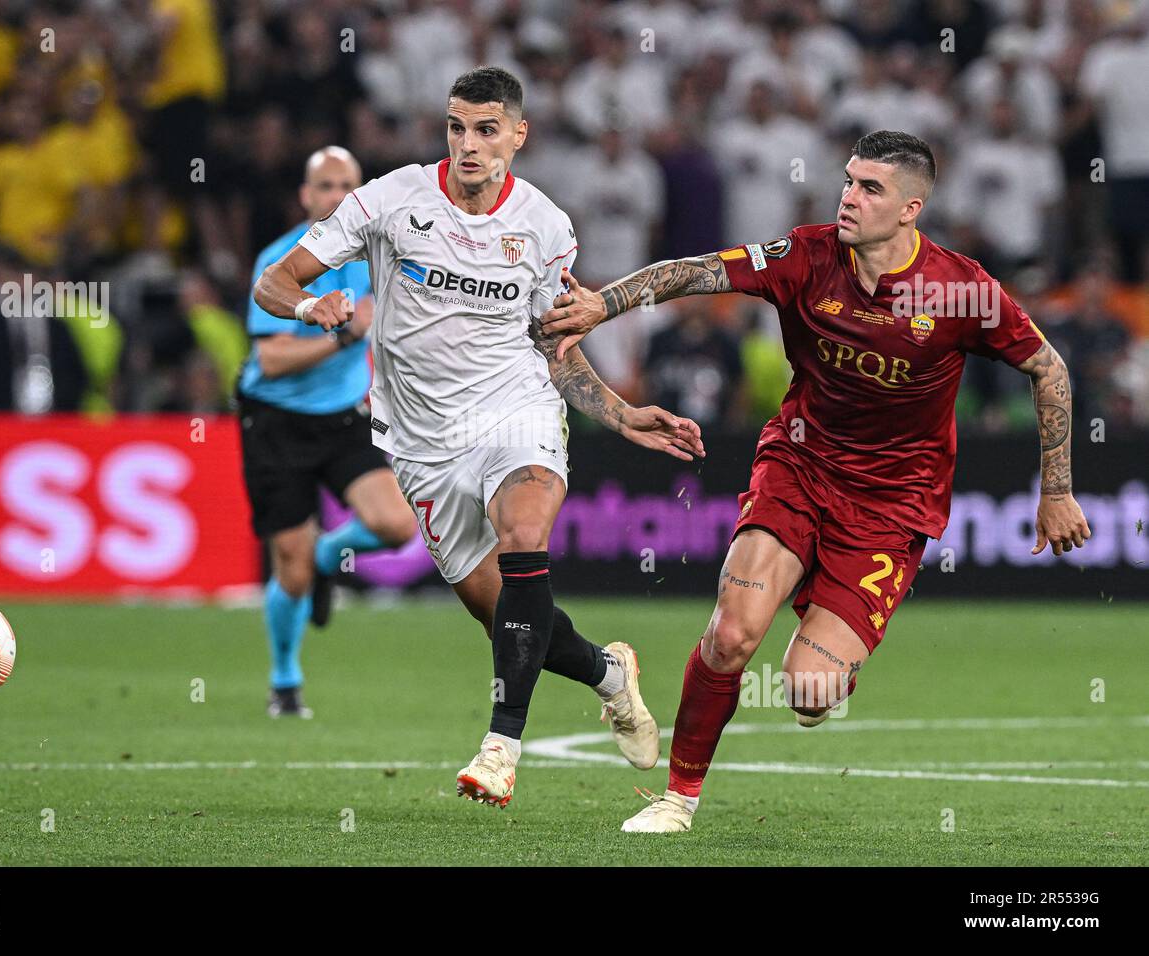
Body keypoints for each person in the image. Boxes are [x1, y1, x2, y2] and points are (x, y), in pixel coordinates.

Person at [541, 130, 1091, 832]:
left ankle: (829, 659)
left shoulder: (959, 289)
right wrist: (602, 306)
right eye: (849, 181)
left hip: (892, 505)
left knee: (808, 690)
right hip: (799, 467)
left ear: (910, 209)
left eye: (870, 188)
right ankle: (678, 800)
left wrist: (1056, 490)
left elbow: (1048, 369)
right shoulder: (806, 255)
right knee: (732, 634)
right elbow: (694, 271)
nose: (849, 197)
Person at [253, 67, 704, 808]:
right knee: (511, 617)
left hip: (514, 410)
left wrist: (621, 414)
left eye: (486, 129)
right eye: (457, 127)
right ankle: (608, 673)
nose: (468, 144)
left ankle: (501, 748)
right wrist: (309, 307)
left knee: (524, 532)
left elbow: (555, 347)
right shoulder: (390, 201)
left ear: (518, 136)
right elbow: (275, 280)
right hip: (422, 441)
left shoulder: (545, 226)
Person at [237, 146, 417, 720]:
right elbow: (271, 361)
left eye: (347, 186)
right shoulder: (280, 261)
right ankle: (285, 681)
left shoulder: (379, 255)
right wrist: (343, 335)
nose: (337, 197)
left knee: (397, 524)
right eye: (325, 186)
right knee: (287, 570)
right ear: (305, 196)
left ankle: (324, 555)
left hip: (342, 416)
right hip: (275, 421)